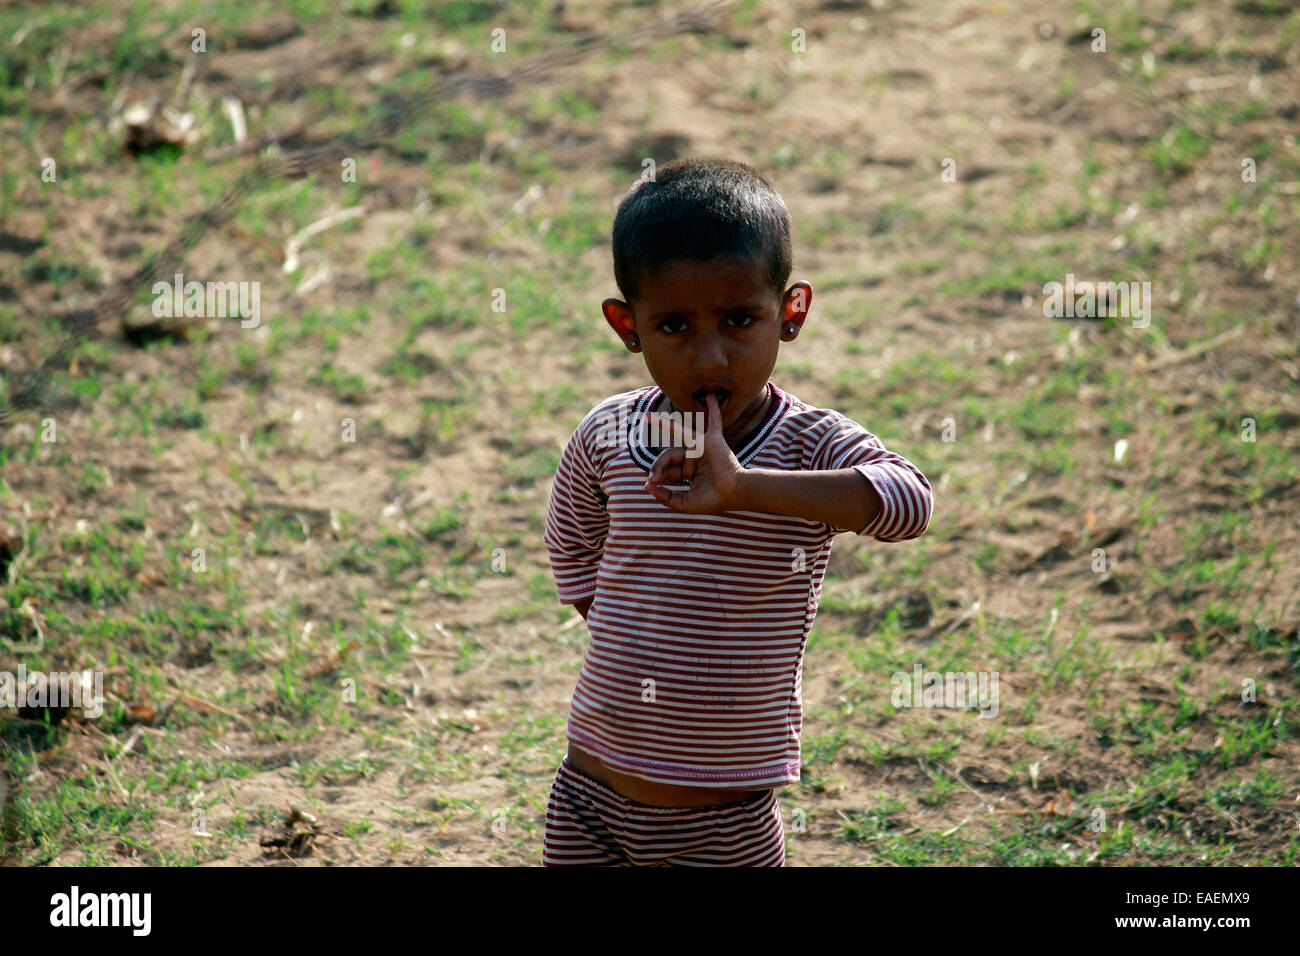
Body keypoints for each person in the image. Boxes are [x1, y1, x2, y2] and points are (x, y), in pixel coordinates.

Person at [542, 157, 933, 866]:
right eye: (674, 326)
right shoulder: (607, 433)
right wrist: (632, 633)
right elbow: (571, 544)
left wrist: (748, 487)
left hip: (724, 818)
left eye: (739, 319)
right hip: (589, 792)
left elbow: (909, 504)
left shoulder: (811, 445)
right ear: (627, 327)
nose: (711, 355)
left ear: (791, 314)